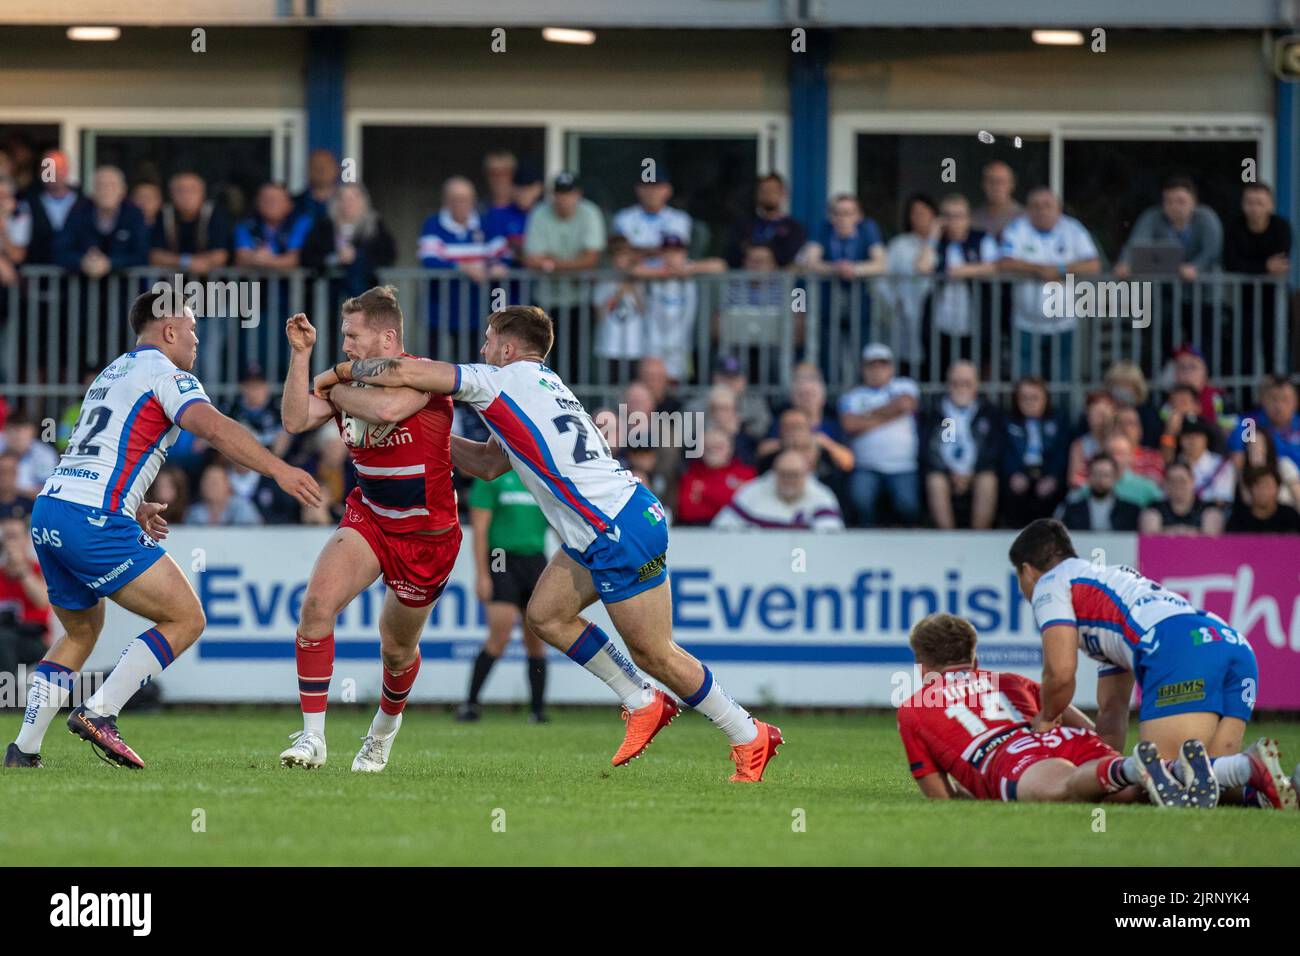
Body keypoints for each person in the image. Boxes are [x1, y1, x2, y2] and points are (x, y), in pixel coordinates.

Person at [312, 306, 785, 782]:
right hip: (618, 518)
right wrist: (426, 439)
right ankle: (643, 701)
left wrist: (336, 374)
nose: (482, 350)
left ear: (508, 348)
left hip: (613, 528)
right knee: (544, 616)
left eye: (488, 340)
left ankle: (748, 734)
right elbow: (491, 465)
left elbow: (402, 370)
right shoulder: (544, 385)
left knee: (655, 653)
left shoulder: (497, 380)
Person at [4, 290, 320, 770]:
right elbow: (213, 429)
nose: (196, 339)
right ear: (168, 330)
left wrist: (133, 506)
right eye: (192, 329)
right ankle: (100, 711)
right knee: (186, 618)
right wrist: (279, 469)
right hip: (91, 519)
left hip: (51, 512)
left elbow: (98, 455)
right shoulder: (167, 375)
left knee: (81, 630)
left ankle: (22, 751)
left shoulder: (112, 373)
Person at [276, 287, 459, 773]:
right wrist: (302, 356)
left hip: (427, 537)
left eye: (353, 336)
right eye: (343, 337)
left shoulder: (424, 376)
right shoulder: (348, 386)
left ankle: (382, 731)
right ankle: (312, 738)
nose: (347, 345)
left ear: (388, 336)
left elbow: (385, 411)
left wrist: (334, 385)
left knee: (396, 652)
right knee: (316, 607)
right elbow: (294, 419)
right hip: (370, 518)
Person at [1008, 518, 1296, 809]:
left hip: (1179, 646)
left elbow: (1059, 673)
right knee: (1210, 786)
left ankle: (1248, 766)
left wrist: (1046, 717)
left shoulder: (1049, 583)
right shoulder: (1104, 590)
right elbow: (1112, 712)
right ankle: (1280, 786)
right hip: (1229, 642)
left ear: (1027, 571)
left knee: (1158, 779)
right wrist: (1100, 777)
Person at [897, 612, 1195, 807]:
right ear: (975, 661)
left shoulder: (914, 708)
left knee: (1064, 788)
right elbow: (1089, 731)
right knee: (1130, 794)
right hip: (1061, 737)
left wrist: (973, 790)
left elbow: (941, 797)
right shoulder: (1013, 681)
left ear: (922, 668)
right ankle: (1192, 769)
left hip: (1009, 756)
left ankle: (1133, 767)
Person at [458, 471, 552, 723]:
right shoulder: (490, 477)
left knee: (537, 637)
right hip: (501, 558)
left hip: (535, 559)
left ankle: (538, 710)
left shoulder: (539, 476)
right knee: (500, 634)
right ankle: (470, 703)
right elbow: (479, 529)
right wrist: (482, 575)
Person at [998, 187, 1100, 378]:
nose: (1042, 211)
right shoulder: (1017, 228)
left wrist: (1060, 270)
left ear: (1058, 209)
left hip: (1064, 324)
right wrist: (1039, 270)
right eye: (1036, 206)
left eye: (1047, 206)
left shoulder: (1073, 229)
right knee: (1025, 384)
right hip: (1026, 323)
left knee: (1063, 381)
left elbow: (1093, 265)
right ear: (1028, 210)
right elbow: (1004, 262)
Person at [838, 343, 921, 528]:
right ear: (863, 368)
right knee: (860, 502)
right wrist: (891, 413)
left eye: (883, 364)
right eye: (872, 365)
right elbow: (850, 424)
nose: (877, 370)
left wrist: (866, 416)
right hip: (866, 465)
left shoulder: (904, 385)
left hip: (903, 465)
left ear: (891, 367)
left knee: (908, 507)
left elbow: (906, 405)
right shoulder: (852, 396)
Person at [920, 360, 1001, 530]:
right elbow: (931, 449)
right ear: (948, 385)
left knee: (988, 480)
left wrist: (972, 472)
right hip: (946, 473)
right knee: (935, 481)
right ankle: (948, 538)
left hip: (977, 472)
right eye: (955, 383)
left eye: (967, 383)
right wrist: (950, 471)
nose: (961, 388)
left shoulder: (988, 412)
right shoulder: (937, 412)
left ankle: (979, 537)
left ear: (977, 385)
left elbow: (994, 449)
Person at [1114, 177, 1223, 282]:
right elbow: (1137, 243)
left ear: (1194, 202)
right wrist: (1126, 262)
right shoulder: (1152, 217)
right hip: (1165, 291)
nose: (1174, 206)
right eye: (1169, 201)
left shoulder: (1206, 218)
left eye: (1181, 201)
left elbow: (1212, 251)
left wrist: (1196, 267)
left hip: (1203, 293)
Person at [300, 182, 397, 297]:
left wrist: (357, 257)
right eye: (343, 198)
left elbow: (388, 255)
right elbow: (307, 256)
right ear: (337, 201)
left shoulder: (375, 226)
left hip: (363, 297)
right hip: (328, 297)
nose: (348, 203)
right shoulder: (325, 226)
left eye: (354, 197)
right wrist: (335, 259)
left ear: (363, 201)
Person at [710, 449, 843, 531]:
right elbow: (722, 529)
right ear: (774, 473)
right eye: (783, 474)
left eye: (794, 475)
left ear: (806, 474)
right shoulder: (752, 492)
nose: (789, 479)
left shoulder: (822, 497)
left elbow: (828, 541)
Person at [54, 165, 150, 277]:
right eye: (100, 185)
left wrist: (110, 263)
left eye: (112, 185)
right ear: (92, 190)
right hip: (83, 290)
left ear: (123, 190)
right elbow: (60, 251)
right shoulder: (78, 212)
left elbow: (142, 255)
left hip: (125, 290)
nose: (106, 190)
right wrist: (82, 262)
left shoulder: (134, 215)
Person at [1000, 375, 1068, 527]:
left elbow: (1061, 452)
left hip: (1046, 474)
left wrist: (1053, 477)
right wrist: (1013, 473)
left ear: (1045, 399)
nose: (1029, 403)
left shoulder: (1058, 420)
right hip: (1019, 474)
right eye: (1024, 398)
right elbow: (1005, 452)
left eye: (1035, 398)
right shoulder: (1007, 421)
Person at [149, 171, 231, 276]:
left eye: (192, 190)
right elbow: (155, 256)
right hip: (171, 285)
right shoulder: (163, 214)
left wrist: (177, 262)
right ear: (171, 194)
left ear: (202, 194)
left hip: (209, 285)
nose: (186, 196)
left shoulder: (214, 214)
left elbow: (220, 256)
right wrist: (187, 262)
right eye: (180, 191)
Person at [675, 428, 754, 526]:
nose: (712, 451)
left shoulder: (747, 474)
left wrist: (705, 494)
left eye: (718, 446)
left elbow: (749, 509)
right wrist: (725, 499)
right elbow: (687, 512)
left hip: (738, 533)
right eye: (707, 447)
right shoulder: (690, 474)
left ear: (730, 448)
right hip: (698, 532)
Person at [726, 173, 806, 268]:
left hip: (779, 280)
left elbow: (791, 256)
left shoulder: (793, 227)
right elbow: (732, 254)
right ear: (757, 194)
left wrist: (766, 254)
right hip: (746, 280)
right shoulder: (744, 225)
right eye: (764, 191)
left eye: (773, 191)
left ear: (783, 194)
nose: (768, 194)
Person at [233, 182, 314, 271]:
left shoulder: (301, 223)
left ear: (289, 205)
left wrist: (264, 261)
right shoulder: (246, 225)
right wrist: (265, 260)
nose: (270, 204)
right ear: (257, 203)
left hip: (291, 284)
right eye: (265, 200)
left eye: (275, 200)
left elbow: (294, 259)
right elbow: (241, 258)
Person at [1056, 453, 1141, 532]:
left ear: (1115, 478)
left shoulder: (1131, 512)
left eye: (1106, 475)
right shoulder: (1072, 511)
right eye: (1095, 474)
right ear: (1088, 477)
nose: (1100, 480)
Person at [1139, 460, 1223, 535]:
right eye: (1172, 480)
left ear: (1193, 482)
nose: (1177, 485)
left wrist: (1170, 532)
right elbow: (1150, 538)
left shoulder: (1209, 509)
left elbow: (1211, 540)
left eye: (1182, 480)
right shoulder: (1153, 509)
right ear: (1165, 484)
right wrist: (1190, 533)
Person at [1178, 415, 1235, 506]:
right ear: (1181, 439)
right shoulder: (1174, 465)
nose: (1192, 440)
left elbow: (1221, 501)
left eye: (1197, 435)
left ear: (1206, 439)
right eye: (1188, 435)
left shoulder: (1222, 465)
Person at [185, 461, 263, 526]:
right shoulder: (194, 512)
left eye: (215, 482)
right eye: (207, 481)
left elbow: (252, 536)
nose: (210, 486)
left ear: (227, 485)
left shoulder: (242, 507)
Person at [1226, 467, 1300, 534]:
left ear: (1278, 488)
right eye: (1258, 486)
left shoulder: (1290, 516)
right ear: (1250, 489)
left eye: (1267, 486)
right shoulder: (1238, 518)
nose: (1263, 491)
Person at [970, 161, 1023, 240]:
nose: (996, 187)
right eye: (991, 181)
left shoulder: (1025, 218)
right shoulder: (972, 219)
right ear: (983, 184)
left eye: (1001, 182)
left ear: (1012, 185)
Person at [293, 148, 341, 223]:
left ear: (337, 169)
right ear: (308, 170)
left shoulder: (347, 203)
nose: (322, 170)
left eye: (327, 165)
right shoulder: (294, 204)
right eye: (316, 166)